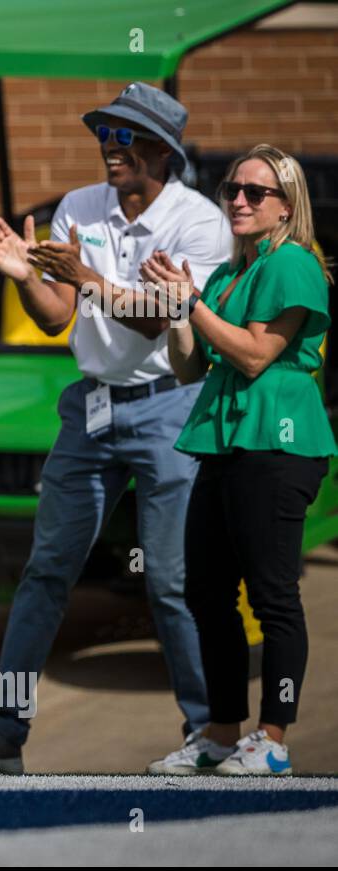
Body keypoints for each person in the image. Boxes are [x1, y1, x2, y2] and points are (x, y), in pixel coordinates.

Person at [0, 82, 229, 773]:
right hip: (91, 407)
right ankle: (4, 733)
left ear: (162, 150)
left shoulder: (200, 224)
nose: (110, 146)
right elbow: (56, 315)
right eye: (104, 133)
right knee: (47, 569)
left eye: (125, 136)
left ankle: (207, 735)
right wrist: (23, 275)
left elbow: (166, 318)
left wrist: (89, 275)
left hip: (170, 404)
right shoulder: (78, 207)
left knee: (171, 578)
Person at [144, 145, 334, 775]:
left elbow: (255, 355)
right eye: (232, 191)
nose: (240, 202)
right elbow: (189, 366)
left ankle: (272, 738)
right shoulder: (226, 276)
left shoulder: (295, 265)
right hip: (224, 443)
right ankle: (222, 732)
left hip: (278, 447)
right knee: (205, 592)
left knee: (273, 594)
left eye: (256, 192)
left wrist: (193, 303)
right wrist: (181, 310)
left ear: (286, 206)